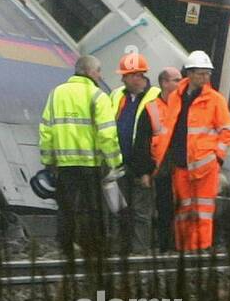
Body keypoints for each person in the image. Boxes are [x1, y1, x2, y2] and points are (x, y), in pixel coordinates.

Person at [39, 55, 123, 257]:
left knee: (66, 208)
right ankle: (93, 249)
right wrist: (115, 162)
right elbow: (107, 134)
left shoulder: (56, 94)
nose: (100, 75)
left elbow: (46, 131)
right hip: (90, 165)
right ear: (90, 72)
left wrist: (49, 161)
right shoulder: (98, 96)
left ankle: (66, 248)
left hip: (64, 166)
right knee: (93, 209)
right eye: (99, 70)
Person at [152, 52, 230, 251]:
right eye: (201, 74)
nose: (205, 78)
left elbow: (227, 132)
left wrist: (217, 159)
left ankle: (200, 250)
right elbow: (169, 129)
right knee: (182, 211)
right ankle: (183, 249)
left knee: (202, 212)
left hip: (205, 167)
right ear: (189, 74)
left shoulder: (216, 100)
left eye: (207, 74)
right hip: (180, 165)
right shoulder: (176, 98)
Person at [109, 53, 162, 255]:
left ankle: (139, 254)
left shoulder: (154, 97)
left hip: (142, 167)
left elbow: (156, 137)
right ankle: (117, 252)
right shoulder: (117, 95)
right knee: (117, 210)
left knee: (141, 212)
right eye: (124, 75)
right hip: (119, 164)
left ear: (139, 76)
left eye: (128, 75)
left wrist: (148, 169)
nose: (124, 79)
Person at [151, 66, 181, 251]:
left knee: (179, 209)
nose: (180, 83)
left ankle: (176, 245)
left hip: (179, 167)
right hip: (159, 168)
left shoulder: (183, 106)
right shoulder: (153, 108)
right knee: (162, 209)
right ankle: (163, 246)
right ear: (164, 83)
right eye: (176, 80)